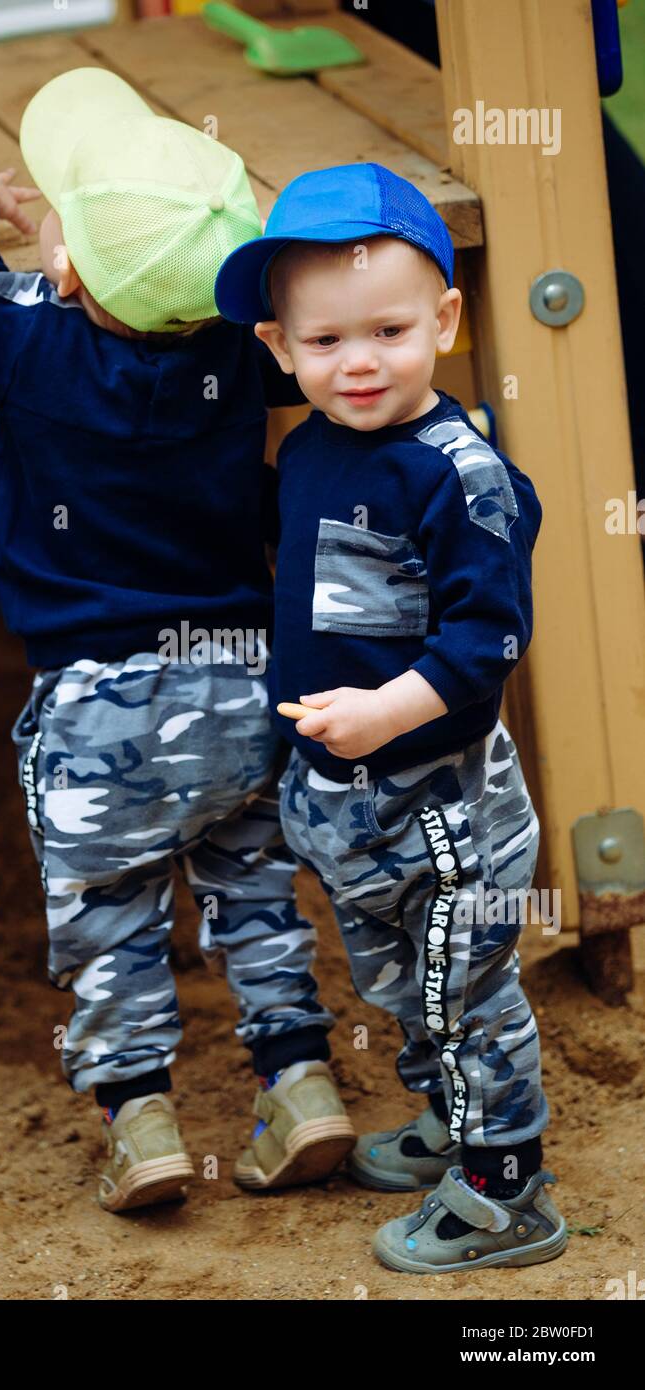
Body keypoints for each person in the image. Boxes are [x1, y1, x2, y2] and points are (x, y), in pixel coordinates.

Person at [0, 69, 355, 1215]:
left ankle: (139, 1117)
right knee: (253, 891)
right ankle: (298, 1079)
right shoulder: (242, 357)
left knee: (109, 920)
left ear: (62, 271)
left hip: (100, 707)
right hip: (245, 693)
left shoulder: (25, 343)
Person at [215, 161, 567, 1272]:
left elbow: (485, 639)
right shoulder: (312, 448)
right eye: (323, 343)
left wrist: (386, 711)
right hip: (348, 798)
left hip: (439, 800)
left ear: (445, 319)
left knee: (464, 988)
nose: (356, 362)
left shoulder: (459, 481)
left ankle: (506, 1187)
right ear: (277, 347)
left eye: (387, 330)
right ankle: (447, 1129)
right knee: (401, 982)